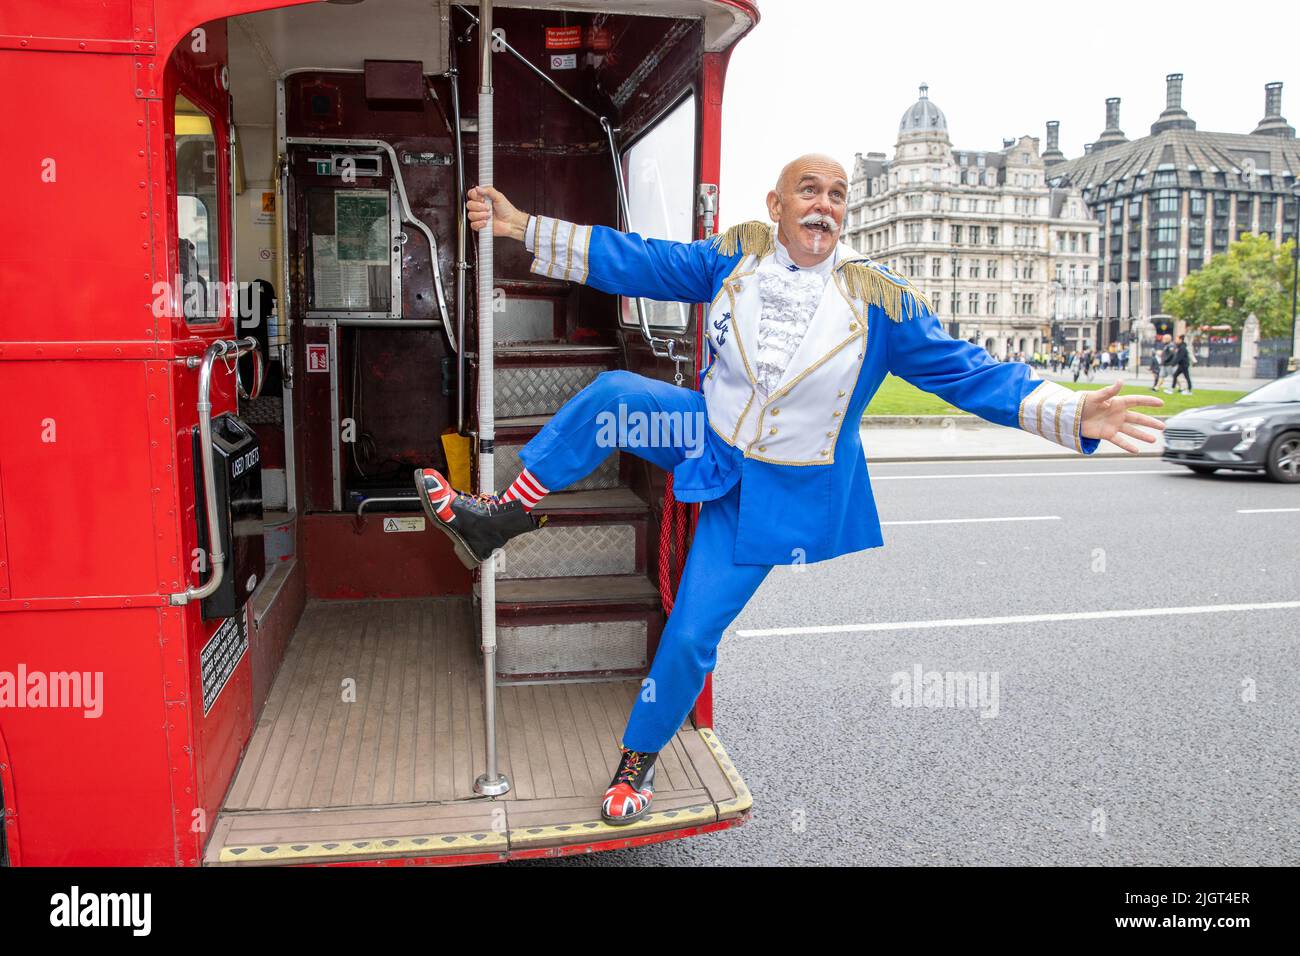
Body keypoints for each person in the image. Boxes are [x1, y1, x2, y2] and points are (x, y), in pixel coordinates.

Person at [412, 154, 1165, 826]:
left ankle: (636, 763)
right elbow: (641, 260)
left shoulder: (880, 299)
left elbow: (969, 372)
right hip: (706, 436)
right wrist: (522, 226)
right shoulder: (734, 259)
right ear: (775, 204)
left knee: (690, 637)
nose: (825, 205)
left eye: (838, 195)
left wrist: (1070, 410)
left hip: (777, 491)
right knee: (614, 395)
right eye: (810, 189)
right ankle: (501, 517)